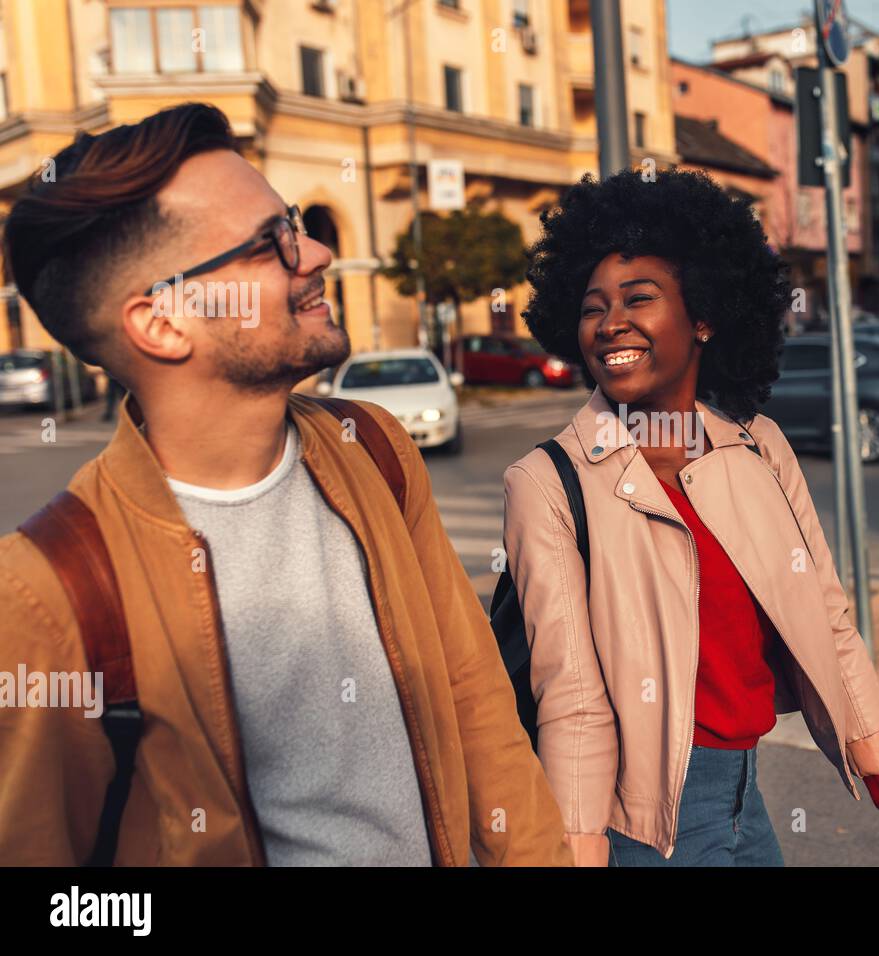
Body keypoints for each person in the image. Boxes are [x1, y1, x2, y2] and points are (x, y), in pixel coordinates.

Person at [0, 103, 571, 867]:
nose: (318, 253)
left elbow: (476, 703)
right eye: (272, 243)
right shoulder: (49, 587)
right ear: (163, 324)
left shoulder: (373, 447)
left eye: (294, 222)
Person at [502, 168, 879, 867]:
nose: (611, 322)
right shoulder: (549, 483)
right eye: (593, 307)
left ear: (704, 315)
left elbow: (831, 626)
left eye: (639, 299)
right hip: (643, 828)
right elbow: (575, 704)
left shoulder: (759, 446)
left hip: (745, 797)